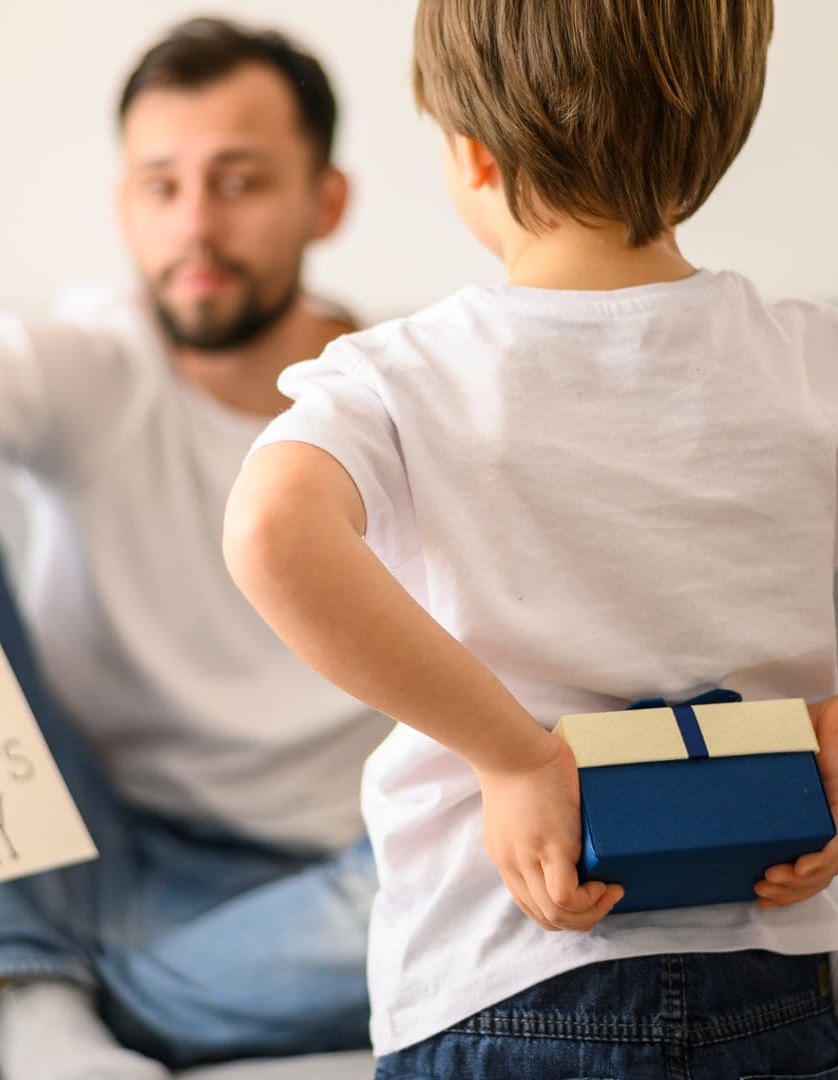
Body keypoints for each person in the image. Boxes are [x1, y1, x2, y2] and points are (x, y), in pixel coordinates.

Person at [0, 16, 389, 1080]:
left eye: (238, 183)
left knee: (483, 890)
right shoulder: (87, 359)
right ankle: (30, 981)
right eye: (161, 186)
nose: (195, 225)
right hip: (67, 839)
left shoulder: (410, 393)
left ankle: (6, 986)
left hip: (321, 882)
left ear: (325, 201)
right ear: (123, 205)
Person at [223, 1, 838, 1077]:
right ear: (720, 134)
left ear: (470, 151)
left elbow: (275, 530)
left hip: (499, 974)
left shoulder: (404, 377)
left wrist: (512, 758)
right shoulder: (811, 362)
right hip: (781, 984)